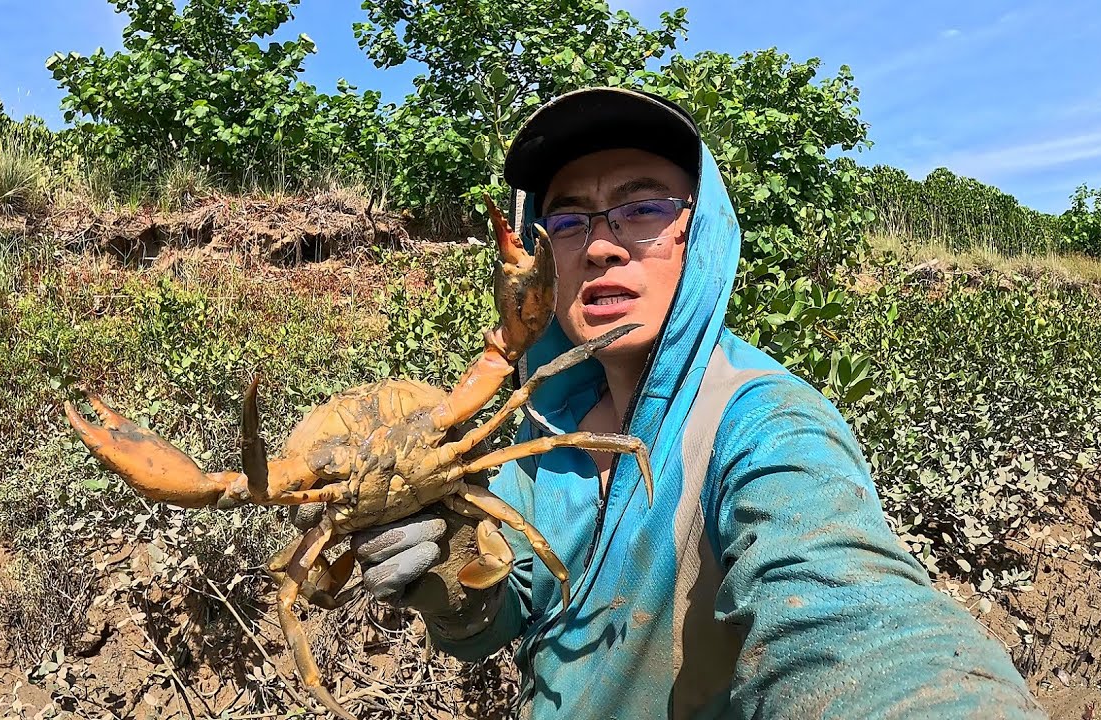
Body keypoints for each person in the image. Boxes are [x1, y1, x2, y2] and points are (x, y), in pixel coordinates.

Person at [348, 87, 1045, 719]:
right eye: (567, 219)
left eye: (643, 209)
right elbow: (502, 614)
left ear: (700, 232)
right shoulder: (545, 431)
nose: (600, 246)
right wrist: (449, 576)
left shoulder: (766, 423)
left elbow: (848, 616)